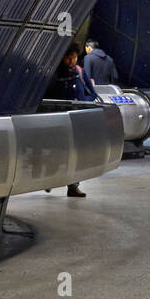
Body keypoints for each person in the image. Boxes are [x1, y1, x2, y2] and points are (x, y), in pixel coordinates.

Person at [45, 44, 98, 197]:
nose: (71, 60)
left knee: (76, 153)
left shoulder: (80, 72)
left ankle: (73, 186)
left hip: (77, 119)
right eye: (69, 57)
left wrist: (83, 102)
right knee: (56, 151)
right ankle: (50, 180)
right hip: (59, 119)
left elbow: (92, 93)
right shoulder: (55, 74)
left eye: (74, 57)